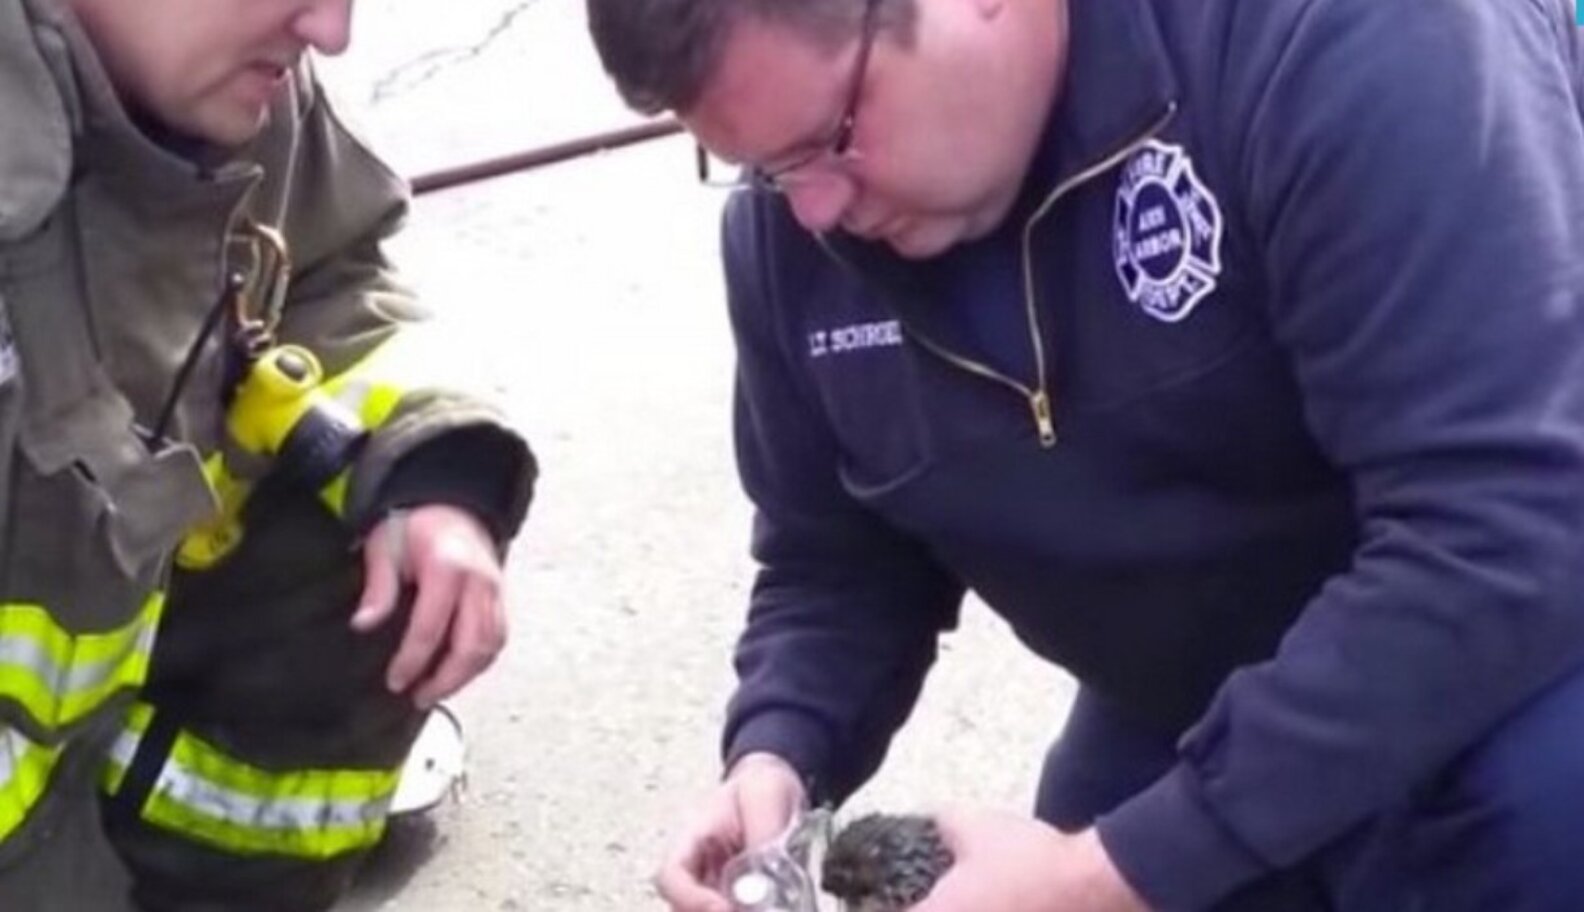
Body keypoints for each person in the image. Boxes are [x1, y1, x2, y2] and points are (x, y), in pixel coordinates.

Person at [587, 0, 1584, 908]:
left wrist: (1115, 869)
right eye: (767, 167)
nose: (811, 209)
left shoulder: (1349, 43)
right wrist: (780, 749)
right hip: (1203, 689)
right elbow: (837, 558)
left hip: (1525, 653)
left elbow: (1506, 527)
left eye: (826, 142)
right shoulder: (792, 239)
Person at [0, 0, 537, 909]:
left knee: (376, 565)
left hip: (68, 776)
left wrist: (433, 474)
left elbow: (330, 270)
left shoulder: (236, 90)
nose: (331, 30)